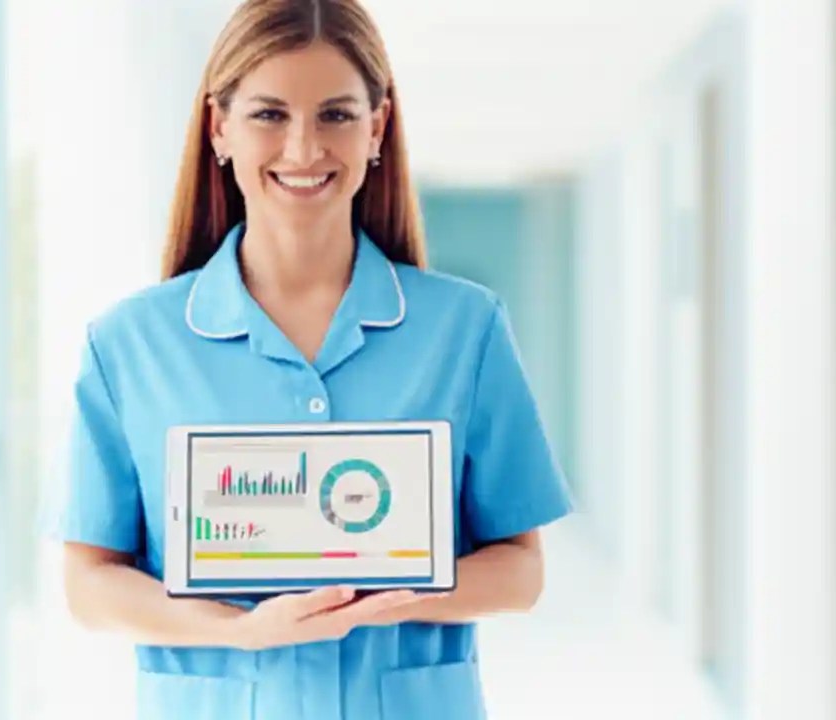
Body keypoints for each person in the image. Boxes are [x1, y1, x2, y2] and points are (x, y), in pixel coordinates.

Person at [52, 1, 574, 718]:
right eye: (270, 114)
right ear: (220, 129)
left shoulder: (465, 330)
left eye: (335, 115)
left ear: (377, 129)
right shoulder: (129, 345)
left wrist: (389, 595)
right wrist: (241, 631)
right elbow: (89, 585)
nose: (303, 150)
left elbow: (521, 571)